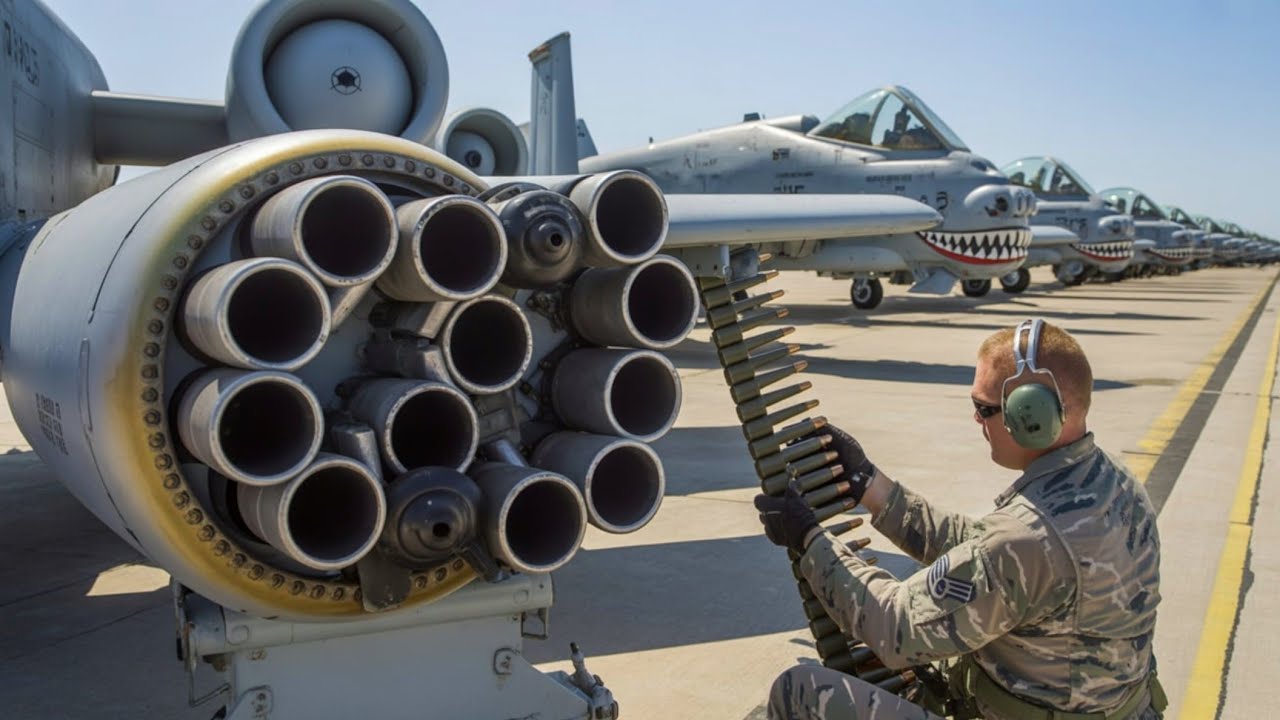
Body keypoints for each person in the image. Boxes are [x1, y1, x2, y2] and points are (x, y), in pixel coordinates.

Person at [755, 319, 1165, 719]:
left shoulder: (1026, 537)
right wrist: (872, 487)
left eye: (983, 408)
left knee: (800, 691)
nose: (976, 420)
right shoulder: (1114, 485)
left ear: (1030, 416)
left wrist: (809, 540)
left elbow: (893, 627)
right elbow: (983, 550)